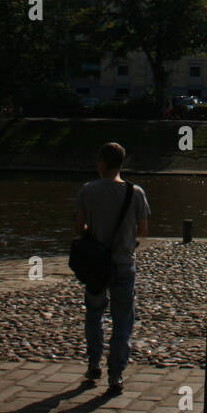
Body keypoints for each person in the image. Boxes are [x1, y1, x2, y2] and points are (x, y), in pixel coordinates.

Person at [74, 142, 150, 394]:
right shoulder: (135, 192)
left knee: (94, 313)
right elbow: (143, 231)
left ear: (102, 162)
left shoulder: (88, 190)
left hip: (96, 266)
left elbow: (79, 229)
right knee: (122, 319)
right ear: (121, 163)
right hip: (123, 264)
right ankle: (115, 374)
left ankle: (93, 363)